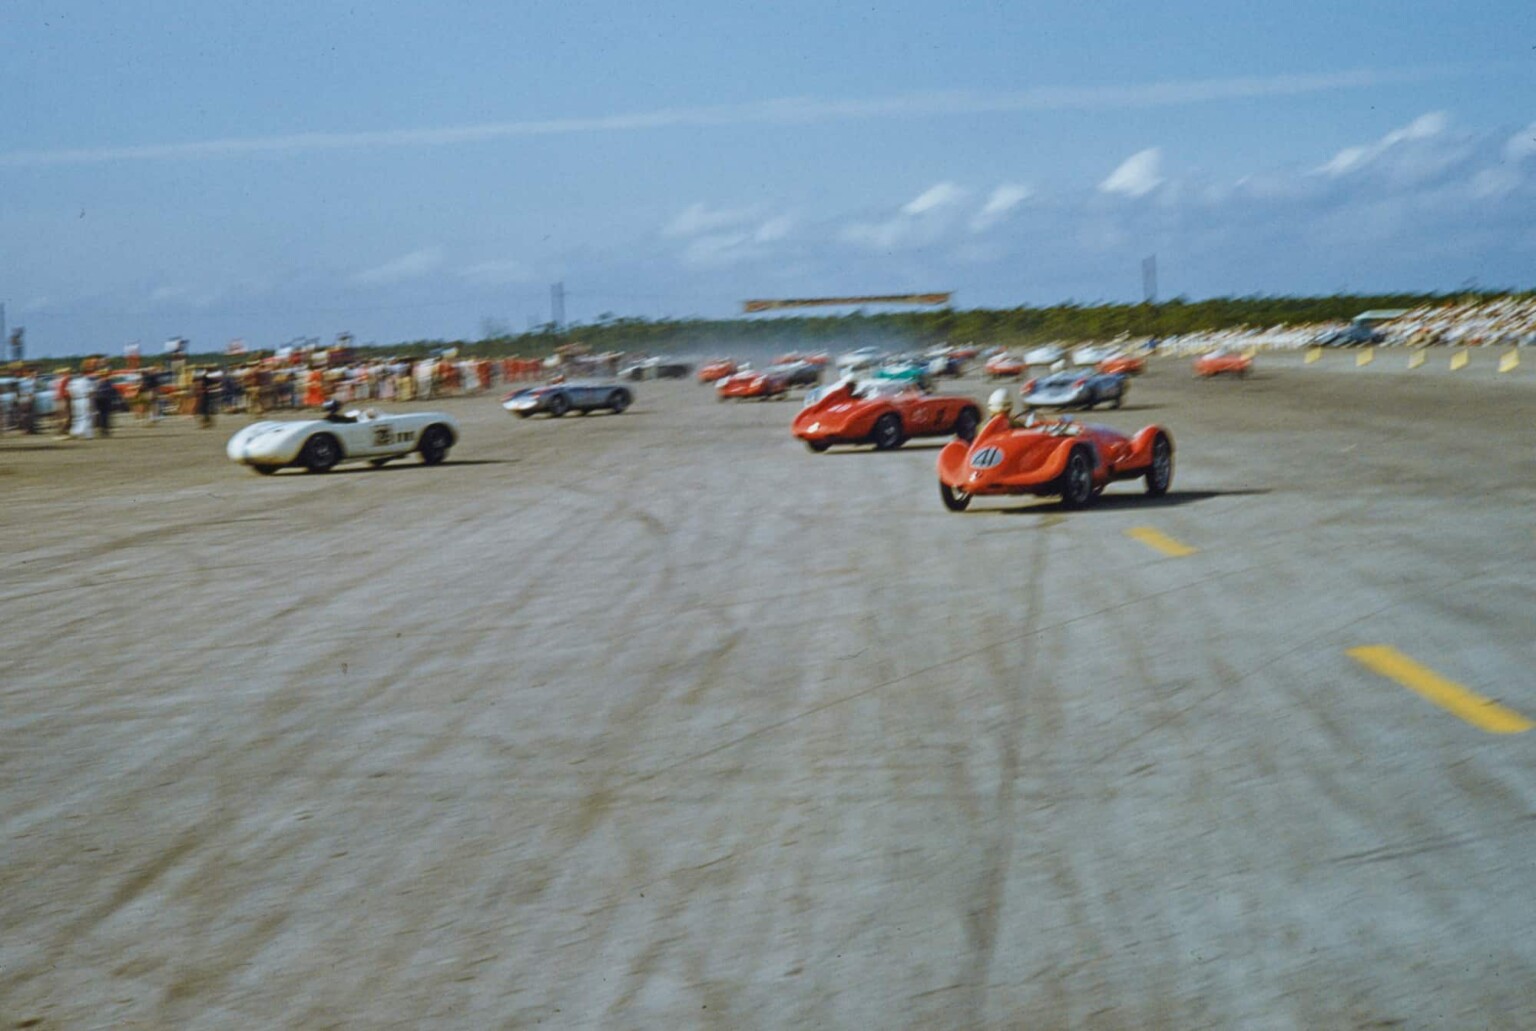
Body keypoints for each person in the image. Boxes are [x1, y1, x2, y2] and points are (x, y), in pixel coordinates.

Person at [93, 372, 118, 436]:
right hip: (104, 400)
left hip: (100, 399)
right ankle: (104, 429)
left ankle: (103, 429)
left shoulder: (97, 382)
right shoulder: (109, 383)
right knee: (105, 415)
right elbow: (113, 391)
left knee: (103, 415)